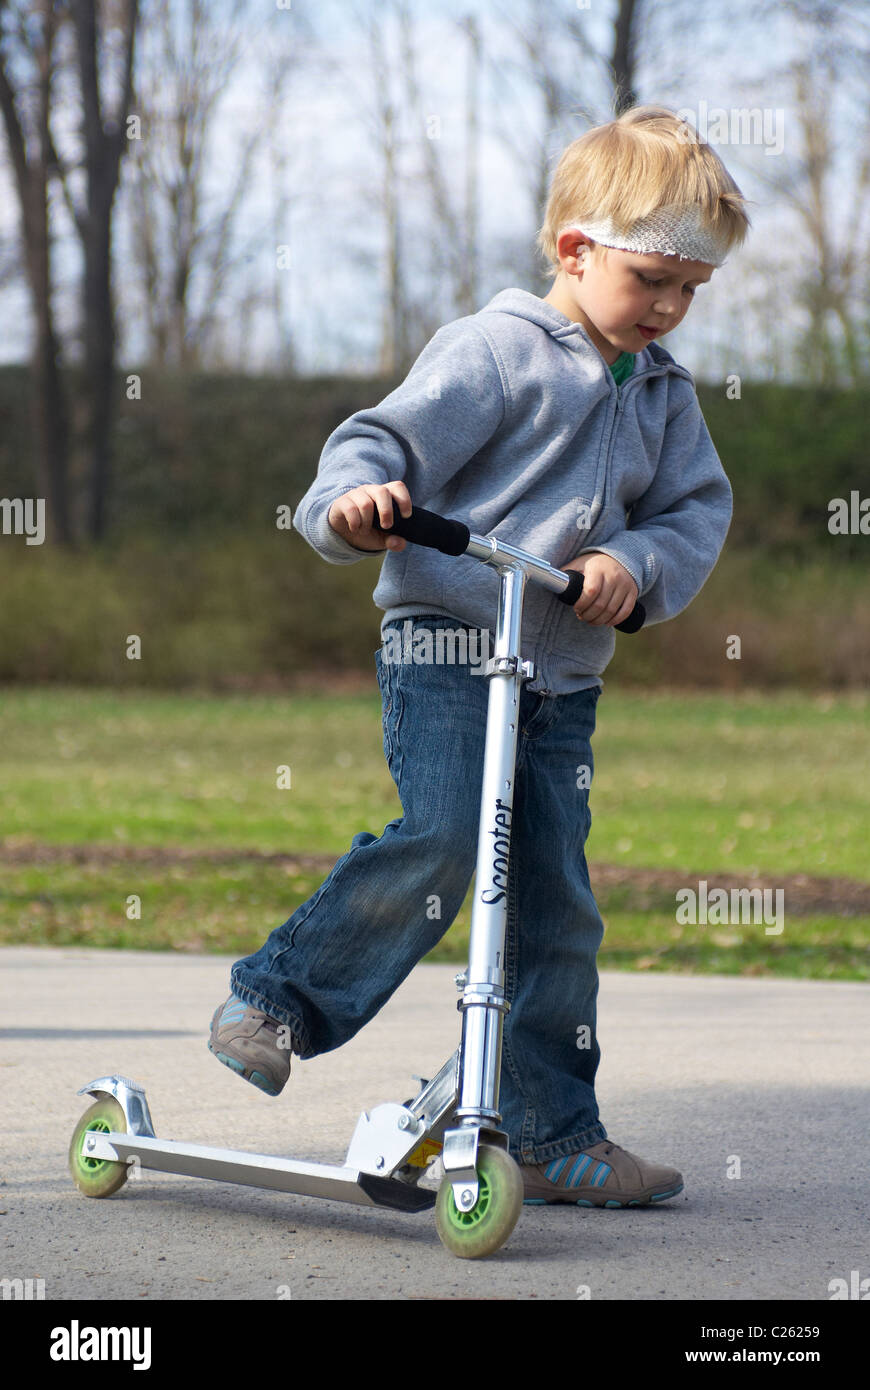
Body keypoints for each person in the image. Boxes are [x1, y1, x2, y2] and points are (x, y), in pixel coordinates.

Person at [208, 104, 751, 1207]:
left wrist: (635, 563)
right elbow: (378, 442)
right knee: (447, 836)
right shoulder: (495, 351)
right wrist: (351, 503)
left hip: (560, 682)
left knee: (556, 904)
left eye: (693, 289)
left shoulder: (665, 396)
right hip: (449, 644)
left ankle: (555, 1132)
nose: (672, 306)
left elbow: (695, 511)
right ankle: (273, 1000)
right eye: (654, 278)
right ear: (576, 250)